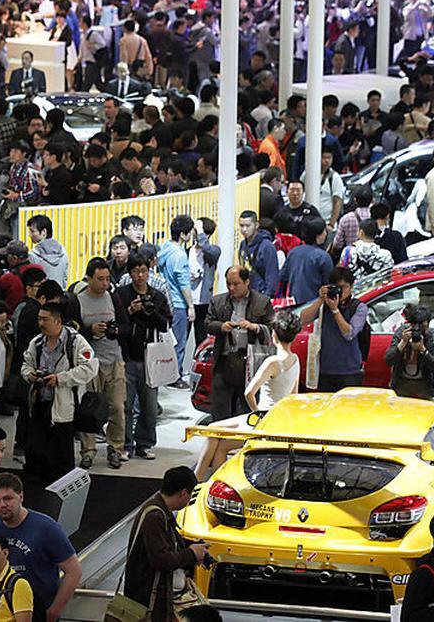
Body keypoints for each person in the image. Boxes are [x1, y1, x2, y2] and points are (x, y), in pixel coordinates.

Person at [196, 311, 301, 479]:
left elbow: (249, 393)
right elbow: (293, 397)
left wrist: (258, 415)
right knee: (219, 442)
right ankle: (203, 481)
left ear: (274, 334)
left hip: (263, 420)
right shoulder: (295, 360)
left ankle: (197, 480)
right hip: (277, 421)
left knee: (212, 432)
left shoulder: (273, 362)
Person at [0, 473, 81, 622]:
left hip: (37, 611)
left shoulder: (46, 528)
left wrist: (54, 611)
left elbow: (74, 571)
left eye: (8, 498)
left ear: (21, 497)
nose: (2, 505)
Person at [20, 303, 98, 482]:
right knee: (35, 452)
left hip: (63, 408)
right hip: (39, 405)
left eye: (45, 319)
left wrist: (60, 379)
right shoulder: (37, 342)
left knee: (62, 458)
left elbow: (89, 368)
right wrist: (29, 374)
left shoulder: (76, 342)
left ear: (58, 321)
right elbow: (26, 364)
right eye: (39, 319)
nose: (41, 323)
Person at [65, 257, 128, 469]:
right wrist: (90, 330)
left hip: (114, 359)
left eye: (107, 279)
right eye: (100, 279)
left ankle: (115, 449)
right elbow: (71, 332)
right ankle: (88, 451)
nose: (105, 283)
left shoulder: (113, 298)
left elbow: (125, 326)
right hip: (89, 363)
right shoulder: (78, 301)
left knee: (117, 407)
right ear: (89, 278)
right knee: (89, 408)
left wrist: (114, 330)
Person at [124, 466, 209, 622]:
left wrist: (191, 546)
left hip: (151, 597)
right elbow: (161, 560)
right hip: (148, 602)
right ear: (183, 493)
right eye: (190, 494)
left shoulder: (159, 511)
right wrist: (191, 554)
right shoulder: (155, 516)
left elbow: (165, 544)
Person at [116, 255, 172, 459]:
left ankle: (145, 444)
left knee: (149, 406)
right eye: (136, 271)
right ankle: (125, 445)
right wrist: (131, 310)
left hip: (151, 358)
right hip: (127, 356)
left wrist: (151, 312)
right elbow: (116, 322)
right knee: (125, 405)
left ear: (149, 272)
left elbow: (165, 324)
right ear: (129, 273)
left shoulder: (157, 296)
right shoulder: (121, 294)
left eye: (144, 271)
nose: (140, 275)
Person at [205, 266, 275, 420]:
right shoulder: (217, 301)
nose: (231, 288)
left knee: (247, 414)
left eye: (236, 284)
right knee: (220, 413)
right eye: (228, 284)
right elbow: (208, 324)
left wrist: (255, 327)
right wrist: (221, 326)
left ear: (247, 282)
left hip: (250, 364)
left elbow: (272, 329)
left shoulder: (262, 302)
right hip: (224, 362)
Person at [298, 267, 370, 392]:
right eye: (337, 288)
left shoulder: (358, 307)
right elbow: (303, 319)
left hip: (350, 370)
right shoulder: (324, 305)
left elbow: (349, 333)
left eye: (344, 287)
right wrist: (321, 299)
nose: (341, 291)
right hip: (326, 370)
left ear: (351, 286)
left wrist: (335, 310)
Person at [156, 216, 196, 390]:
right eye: (189, 233)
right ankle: (175, 376)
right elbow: (183, 283)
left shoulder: (164, 248)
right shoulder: (180, 255)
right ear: (182, 234)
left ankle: (166, 374)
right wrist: (191, 306)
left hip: (166, 301)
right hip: (179, 303)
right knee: (179, 342)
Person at [385, 305, 434, 400]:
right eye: (414, 323)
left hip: (425, 384)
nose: (417, 328)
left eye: (421, 323)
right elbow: (389, 360)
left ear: (428, 323)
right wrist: (402, 343)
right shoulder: (402, 332)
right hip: (401, 382)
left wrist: (423, 350)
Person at [279, 217, 333, 304]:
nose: (326, 234)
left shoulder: (293, 252)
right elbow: (329, 285)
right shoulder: (323, 257)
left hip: (293, 303)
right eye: (324, 231)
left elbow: (283, 278)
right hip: (314, 305)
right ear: (318, 236)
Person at [237, 211, 279, 298]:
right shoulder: (243, 244)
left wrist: (265, 298)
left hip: (261, 295)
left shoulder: (267, 246)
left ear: (256, 225)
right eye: (241, 226)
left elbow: (272, 277)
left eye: (248, 226)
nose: (244, 230)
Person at [26, 215, 69, 287]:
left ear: (44, 232)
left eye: (32, 231)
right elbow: (64, 278)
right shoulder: (63, 252)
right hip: (59, 292)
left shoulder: (33, 255)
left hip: (42, 293)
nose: (30, 235)